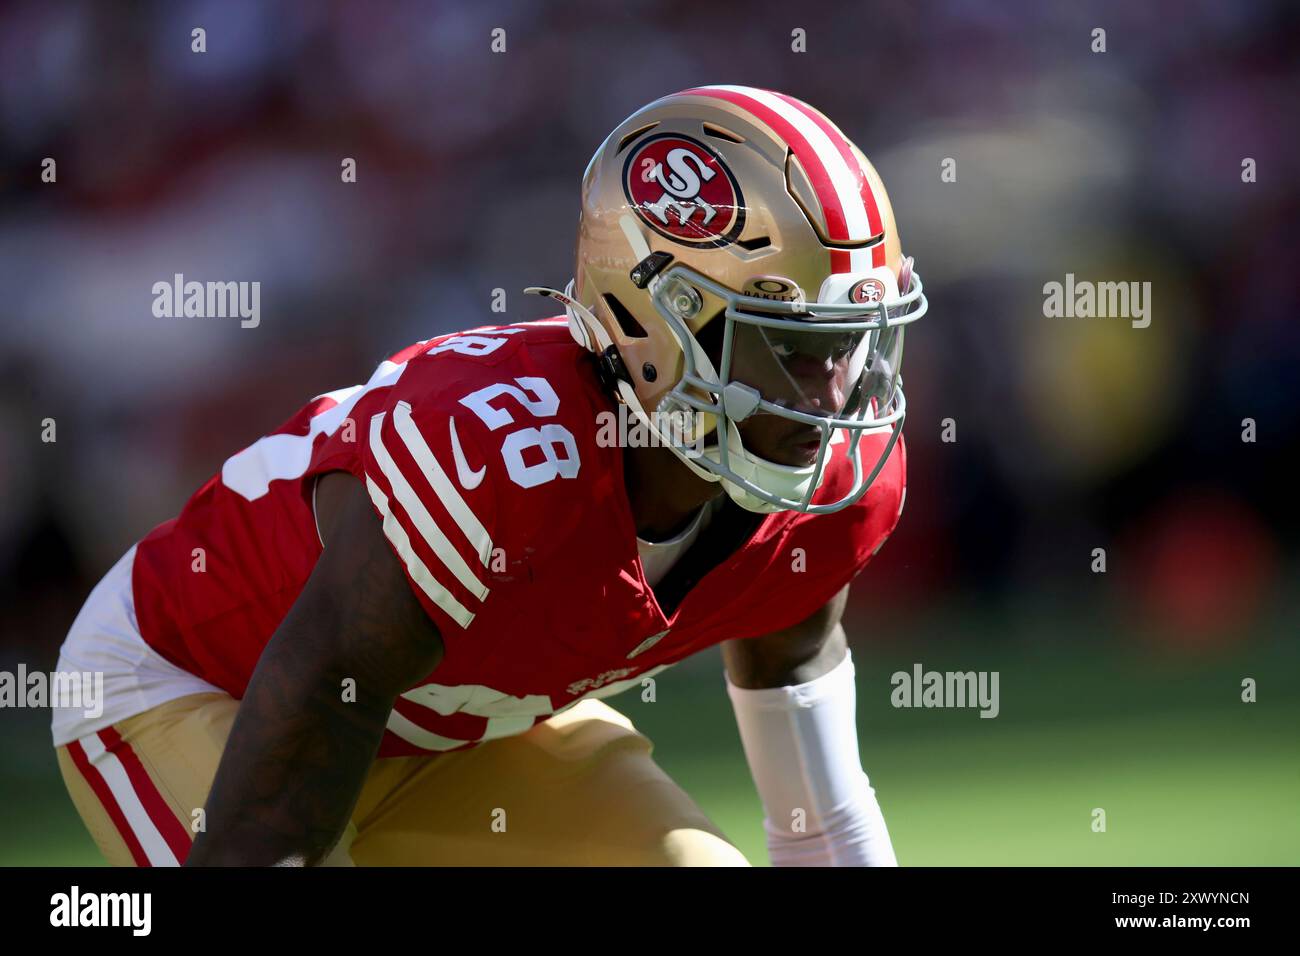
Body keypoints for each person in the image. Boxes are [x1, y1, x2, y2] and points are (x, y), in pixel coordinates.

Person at [51, 85, 927, 866]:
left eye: (850, 342)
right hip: (203, 685)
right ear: (658, 325)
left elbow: (822, 824)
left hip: (462, 726)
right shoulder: (491, 463)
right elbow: (271, 820)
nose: (837, 395)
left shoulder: (825, 489)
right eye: (794, 347)